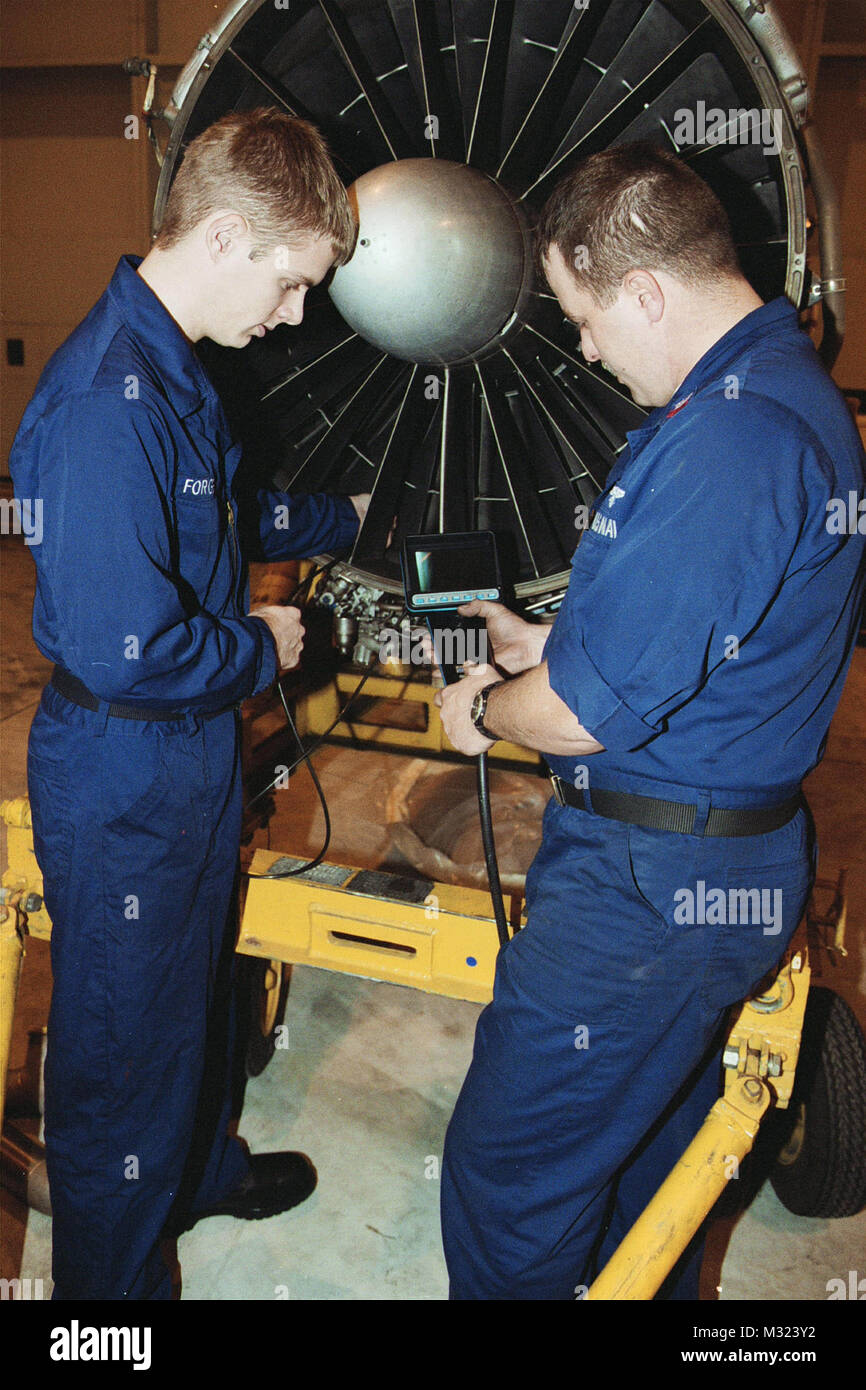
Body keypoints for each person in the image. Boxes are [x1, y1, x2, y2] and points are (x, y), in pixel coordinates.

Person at [436, 142, 866, 1300]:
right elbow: (700, 635)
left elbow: (577, 716)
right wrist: (557, 645)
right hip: (702, 860)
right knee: (647, 1160)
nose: (582, 347)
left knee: (508, 1172)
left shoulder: (729, 437)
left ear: (642, 290)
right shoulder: (771, 392)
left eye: (581, 316)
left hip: (646, 889)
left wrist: (489, 705)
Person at [9, 108, 367, 1300]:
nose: (295, 312)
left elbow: (217, 518)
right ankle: (107, 1310)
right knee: (120, 1051)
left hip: (189, 757)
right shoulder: (106, 403)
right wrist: (259, 647)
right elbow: (129, 649)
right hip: (127, 769)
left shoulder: (174, 364)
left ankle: (196, 1169)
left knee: (197, 984)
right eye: (291, 280)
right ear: (223, 236)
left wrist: (344, 523)